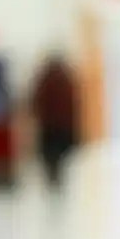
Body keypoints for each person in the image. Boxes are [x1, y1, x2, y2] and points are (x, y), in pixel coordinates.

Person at [30, 53, 79, 190]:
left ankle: (53, 178)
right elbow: (74, 104)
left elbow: (35, 101)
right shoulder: (66, 79)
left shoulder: (45, 79)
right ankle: (58, 178)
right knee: (61, 156)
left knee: (51, 157)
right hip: (63, 127)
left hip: (49, 127)